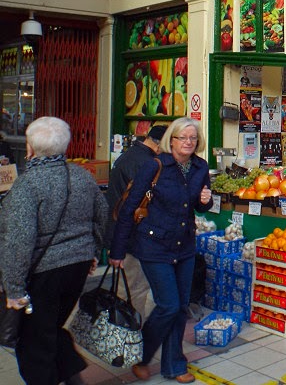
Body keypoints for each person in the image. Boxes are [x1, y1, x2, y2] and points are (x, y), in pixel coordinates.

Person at [0, 116, 107, 385]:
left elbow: (19, 240)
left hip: (43, 274)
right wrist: (92, 250)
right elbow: (102, 216)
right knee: (49, 329)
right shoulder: (82, 176)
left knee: (34, 343)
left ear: (30, 148)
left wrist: (13, 289)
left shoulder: (27, 185)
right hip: (78, 267)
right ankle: (73, 379)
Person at [110, 117, 213, 383]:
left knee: (179, 308)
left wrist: (206, 201)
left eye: (193, 138)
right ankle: (143, 356)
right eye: (183, 137)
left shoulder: (201, 167)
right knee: (168, 305)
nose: (188, 142)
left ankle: (174, 365)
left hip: (185, 245)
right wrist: (118, 251)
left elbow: (199, 206)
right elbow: (129, 208)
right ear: (172, 140)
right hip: (153, 245)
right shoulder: (154, 165)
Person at [105, 125, 167, 317]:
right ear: (159, 145)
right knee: (133, 289)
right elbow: (139, 204)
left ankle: (122, 330)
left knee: (126, 287)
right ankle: (125, 333)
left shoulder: (130, 155)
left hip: (121, 231)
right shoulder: (147, 164)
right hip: (132, 235)